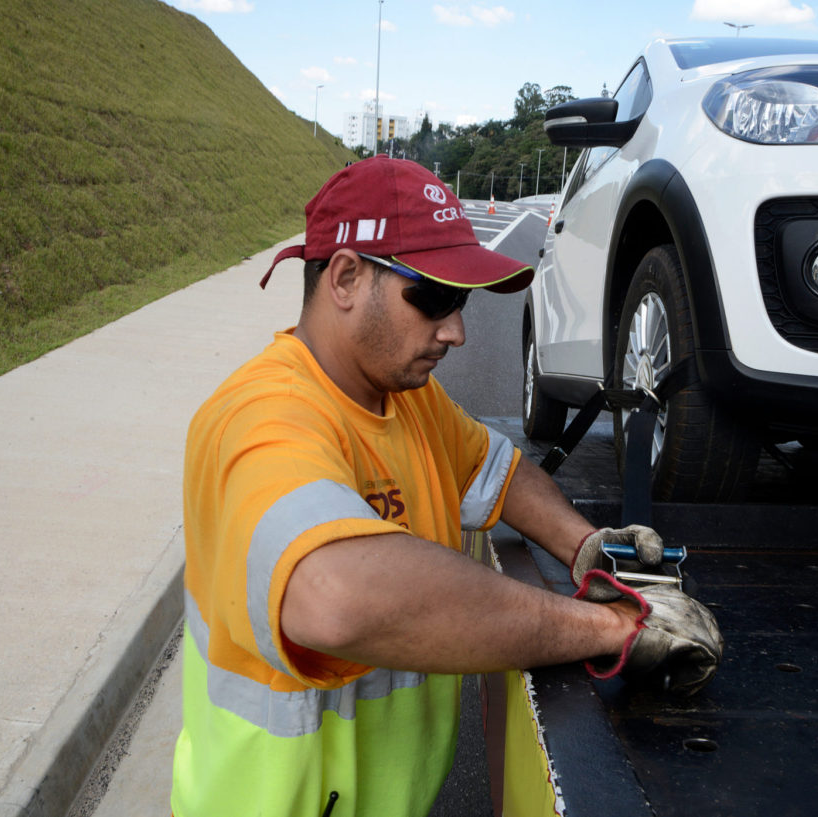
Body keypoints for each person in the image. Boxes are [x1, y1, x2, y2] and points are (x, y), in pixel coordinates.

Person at [171, 155, 722, 817]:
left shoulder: (408, 399)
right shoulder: (261, 418)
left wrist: (587, 548)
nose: (456, 330)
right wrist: (610, 627)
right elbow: (335, 596)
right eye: (433, 298)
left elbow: (500, 474)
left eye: (460, 301)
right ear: (345, 277)